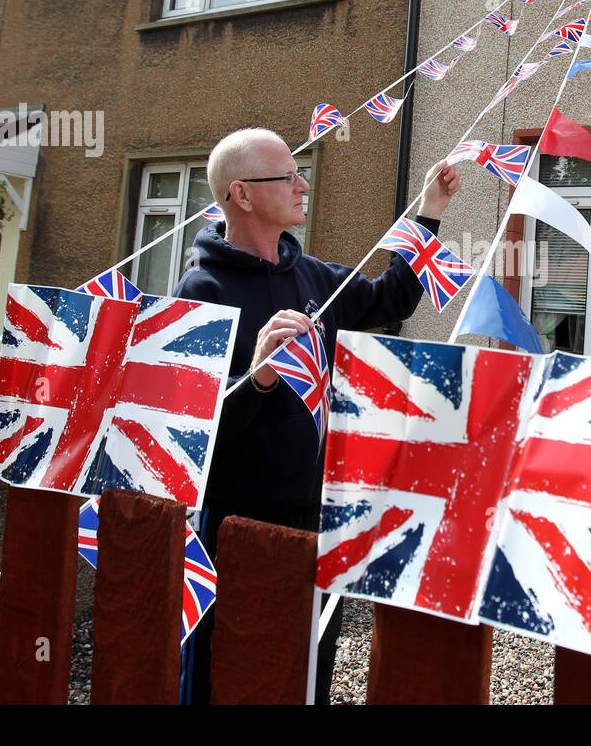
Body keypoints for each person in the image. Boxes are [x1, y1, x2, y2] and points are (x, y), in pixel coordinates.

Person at [175, 127, 460, 704]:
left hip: (318, 515)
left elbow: (391, 299)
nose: (303, 185)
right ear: (243, 195)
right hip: (238, 525)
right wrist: (255, 377)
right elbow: (192, 433)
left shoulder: (313, 277)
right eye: (286, 176)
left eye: (298, 171)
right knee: (231, 671)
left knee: (307, 671)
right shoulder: (201, 289)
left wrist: (429, 213)